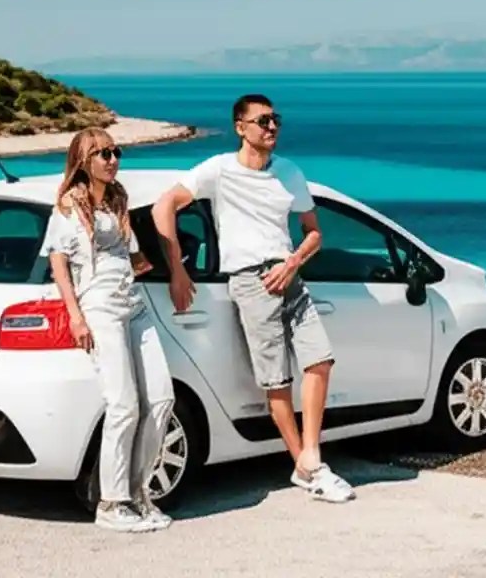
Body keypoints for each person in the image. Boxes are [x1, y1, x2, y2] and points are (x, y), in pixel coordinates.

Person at [152, 93, 354, 503]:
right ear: (240, 128)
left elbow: (314, 232)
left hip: (289, 275)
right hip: (251, 283)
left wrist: (293, 261)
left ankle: (311, 457)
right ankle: (308, 467)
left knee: (320, 361)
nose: (271, 127)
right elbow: (164, 205)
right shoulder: (219, 171)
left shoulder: (289, 172)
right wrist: (176, 268)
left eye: (275, 119)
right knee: (276, 381)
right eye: (262, 121)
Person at [42, 127, 176, 532]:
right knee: (123, 404)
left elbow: (132, 255)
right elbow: (59, 262)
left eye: (115, 152)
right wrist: (75, 315)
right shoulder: (68, 207)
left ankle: (138, 493)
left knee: (162, 399)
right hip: (99, 306)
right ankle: (112, 503)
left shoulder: (118, 200)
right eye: (102, 154)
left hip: (133, 303)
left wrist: (170, 264)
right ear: (83, 161)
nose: (112, 159)